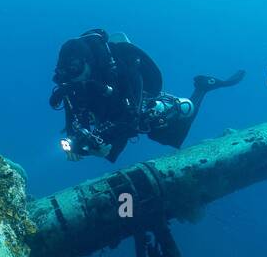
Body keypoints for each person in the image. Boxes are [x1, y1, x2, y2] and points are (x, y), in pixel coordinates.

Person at [49, 28, 244, 162]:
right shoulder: (73, 84)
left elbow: (130, 118)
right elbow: (75, 118)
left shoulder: (121, 68)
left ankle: (202, 88)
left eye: (76, 69)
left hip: (136, 105)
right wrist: (77, 146)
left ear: (88, 61)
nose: (74, 78)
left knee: (172, 130)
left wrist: (103, 144)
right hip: (110, 116)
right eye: (68, 72)